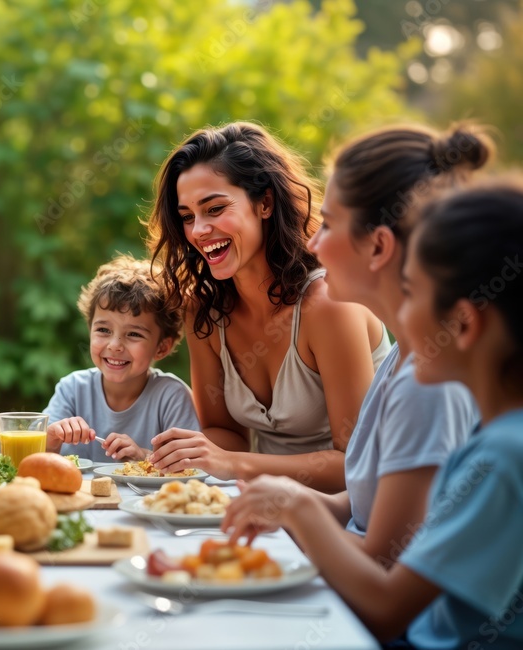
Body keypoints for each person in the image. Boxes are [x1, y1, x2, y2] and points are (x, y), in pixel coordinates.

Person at [224, 178, 523, 648]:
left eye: (412, 292)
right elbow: (366, 504)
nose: (400, 313)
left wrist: (300, 509)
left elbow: (386, 609)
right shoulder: (493, 435)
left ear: (465, 323)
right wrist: (287, 502)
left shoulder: (504, 455)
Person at [146, 122, 390, 492]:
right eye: (187, 216)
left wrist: (233, 464)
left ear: (265, 203)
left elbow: (355, 464)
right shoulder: (205, 310)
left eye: (215, 208)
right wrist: (168, 452)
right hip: (264, 502)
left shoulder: (328, 304)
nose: (198, 230)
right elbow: (225, 434)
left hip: (355, 511)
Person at [303, 124, 486, 565]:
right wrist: (273, 501)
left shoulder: (429, 383)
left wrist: (296, 513)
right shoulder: (401, 357)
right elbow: (362, 508)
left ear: (379, 246)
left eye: (327, 224)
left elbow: (385, 565)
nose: (312, 244)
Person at [43, 255, 200, 462]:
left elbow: (191, 466)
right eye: (103, 330)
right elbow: (34, 458)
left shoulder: (172, 397)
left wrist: (144, 457)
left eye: (134, 334)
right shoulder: (72, 389)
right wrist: (52, 439)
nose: (114, 345)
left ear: (162, 347)